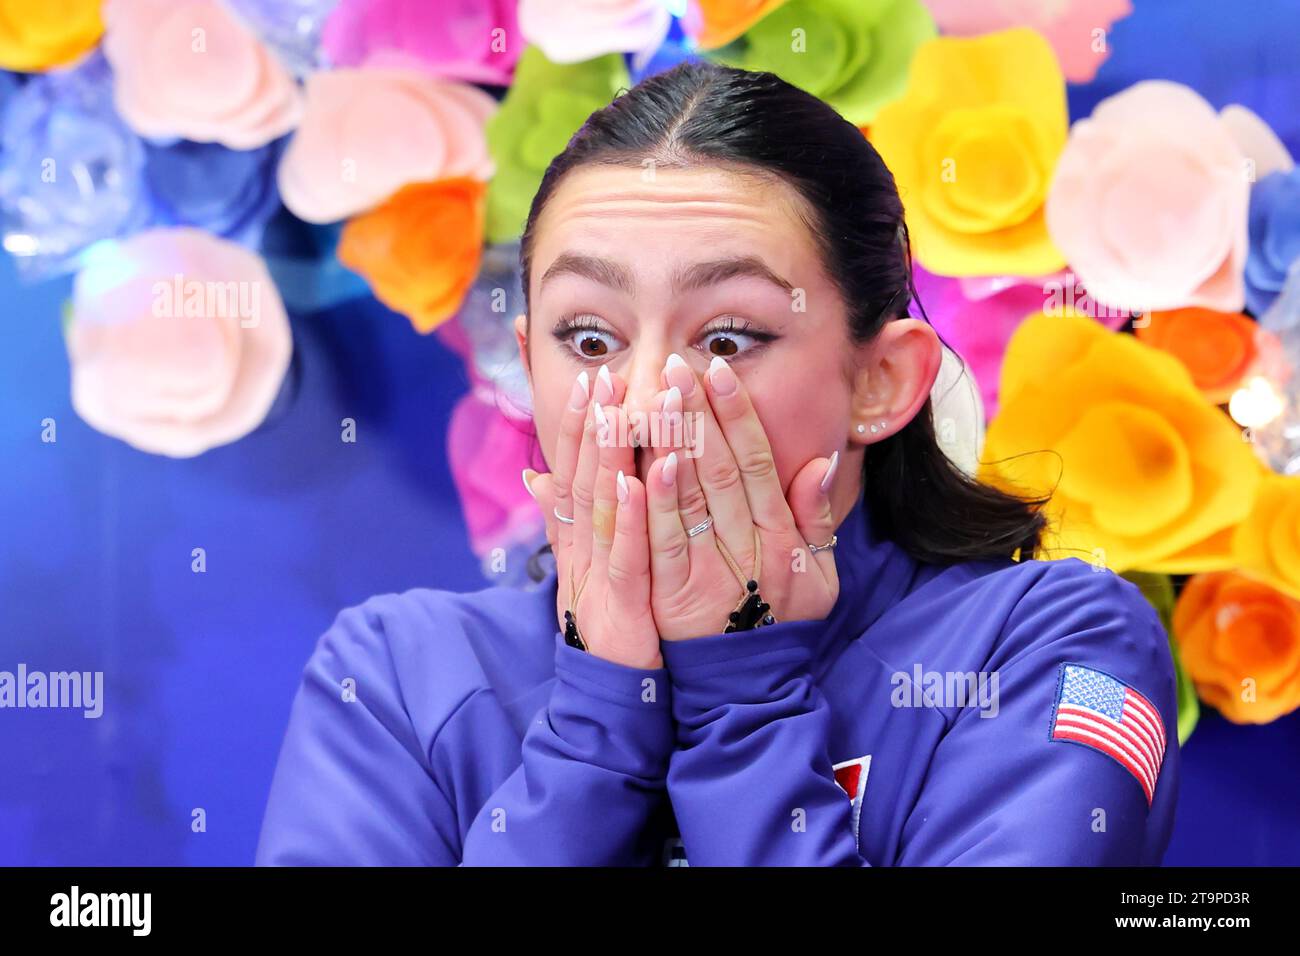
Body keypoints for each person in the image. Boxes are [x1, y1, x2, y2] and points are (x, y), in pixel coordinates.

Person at [255, 60, 1179, 866]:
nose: (654, 397)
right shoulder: (396, 677)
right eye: (587, 337)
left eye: (730, 338)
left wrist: (748, 702)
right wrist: (592, 730)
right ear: (524, 363)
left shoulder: (1050, 645)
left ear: (881, 382)